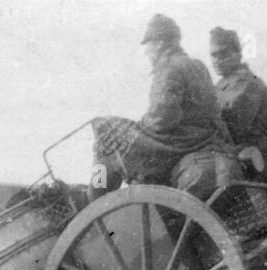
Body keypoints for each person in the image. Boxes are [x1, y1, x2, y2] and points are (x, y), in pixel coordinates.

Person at [91, 15, 236, 200]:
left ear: (159, 42)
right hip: (202, 138)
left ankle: (97, 196)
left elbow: (162, 119)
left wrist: (140, 126)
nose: (146, 52)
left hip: (179, 143)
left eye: (148, 45)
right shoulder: (198, 66)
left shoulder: (168, 68)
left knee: (103, 130)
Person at [210, 28, 267, 169]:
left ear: (237, 54)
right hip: (237, 152)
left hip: (256, 158)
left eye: (224, 53)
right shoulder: (224, 83)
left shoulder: (247, 84)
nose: (218, 60)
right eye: (214, 55)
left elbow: (229, 123)